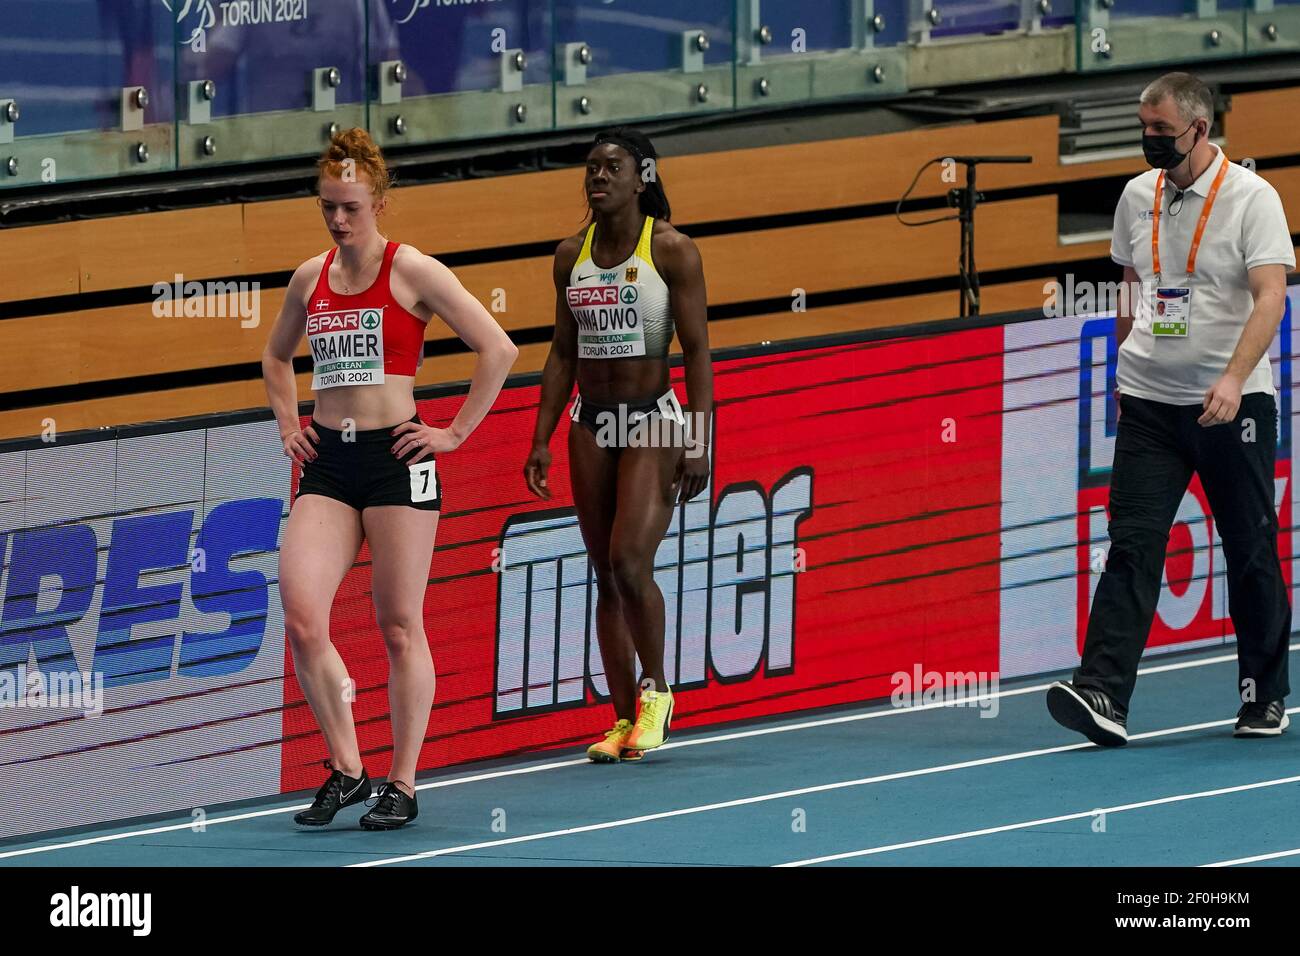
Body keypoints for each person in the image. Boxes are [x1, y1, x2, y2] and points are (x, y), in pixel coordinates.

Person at [262, 128, 518, 827]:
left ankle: (402, 782)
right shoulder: (308, 279)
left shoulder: (414, 273)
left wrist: (454, 432)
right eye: (327, 208)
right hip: (330, 465)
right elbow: (276, 357)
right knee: (303, 614)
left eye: (349, 208)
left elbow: (498, 347)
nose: (338, 221)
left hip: (400, 462)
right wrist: (290, 423)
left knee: (400, 625)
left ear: (379, 202)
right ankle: (348, 767)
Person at [1047, 72, 1295, 746]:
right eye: (1144, 129)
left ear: (1199, 129)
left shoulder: (1252, 198)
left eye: (1161, 132)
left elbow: (1272, 296)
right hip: (1151, 404)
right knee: (1130, 545)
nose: (1150, 141)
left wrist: (1234, 380)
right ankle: (1102, 691)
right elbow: (1135, 285)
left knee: (1248, 550)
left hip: (1231, 405)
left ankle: (1262, 694)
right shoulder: (1137, 196)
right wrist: (1123, 374)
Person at [524, 127, 713, 762]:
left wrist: (699, 440)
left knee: (631, 561)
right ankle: (623, 718)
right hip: (590, 423)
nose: (597, 178)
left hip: (655, 420)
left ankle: (658, 694)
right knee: (605, 573)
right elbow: (560, 350)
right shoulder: (567, 256)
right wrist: (541, 437)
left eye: (612, 167)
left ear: (643, 178)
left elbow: (699, 350)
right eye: (591, 169)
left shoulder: (671, 251)